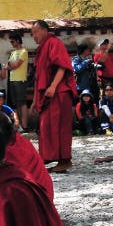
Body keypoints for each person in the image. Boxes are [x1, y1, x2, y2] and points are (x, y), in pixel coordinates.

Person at [32, 20, 77, 173]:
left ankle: (64, 160)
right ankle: (50, 157)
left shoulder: (54, 43)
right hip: (49, 94)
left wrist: (53, 86)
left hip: (59, 92)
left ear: (45, 30)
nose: (34, 36)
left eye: (36, 32)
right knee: (46, 127)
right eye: (32, 34)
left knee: (60, 127)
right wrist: (34, 101)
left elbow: (62, 66)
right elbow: (39, 77)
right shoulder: (41, 48)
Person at [6, 33, 29, 130]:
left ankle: (25, 126)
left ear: (18, 40)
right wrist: (11, 65)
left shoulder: (23, 52)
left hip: (20, 80)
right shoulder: (13, 52)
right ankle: (19, 125)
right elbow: (8, 66)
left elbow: (15, 65)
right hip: (12, 79)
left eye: (12, 41)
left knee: (22, 104)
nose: (11, 43)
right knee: (15, 104)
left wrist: (10, 65)